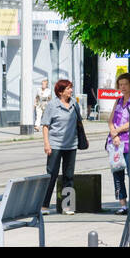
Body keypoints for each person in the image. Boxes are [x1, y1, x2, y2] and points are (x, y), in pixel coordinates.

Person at [41, 78, 81, 214]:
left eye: (71, 87)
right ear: (60, 91)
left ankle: (67, 206)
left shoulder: (75, 104)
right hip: (55, 145)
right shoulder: (52, 105)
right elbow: (45, 125)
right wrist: (47, 143)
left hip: (71, 145)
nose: (71, 90)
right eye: (68, 88)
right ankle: (44, 205)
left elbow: (78, 122)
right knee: (51, 175)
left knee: (69, 176)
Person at [106, 72, 130, 215]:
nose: (123, 87)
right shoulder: (118, 101)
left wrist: (117, 131)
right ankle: (123, 204)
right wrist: (113, 133)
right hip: (115, 143)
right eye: (120, 84)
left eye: (125, 84)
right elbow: (110, 120)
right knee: (117, 172)